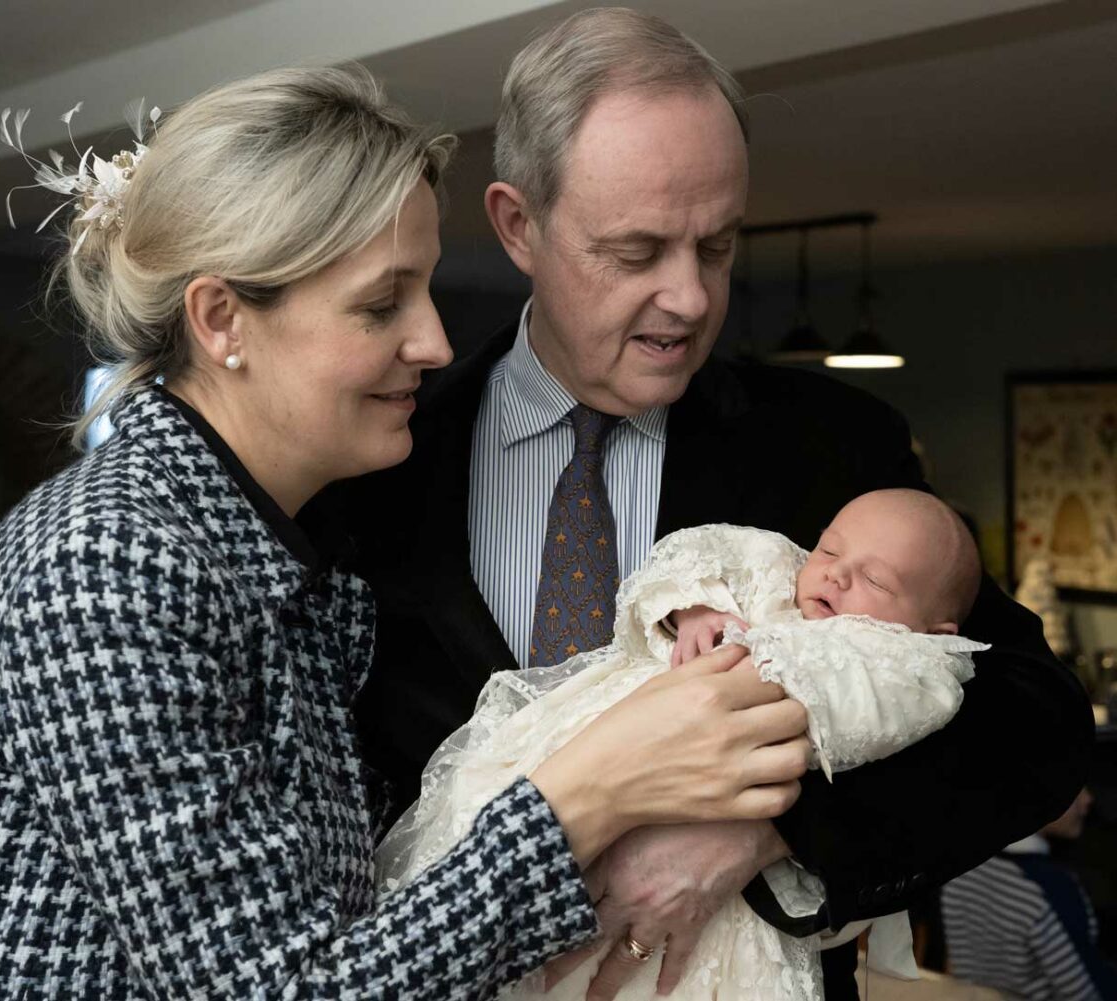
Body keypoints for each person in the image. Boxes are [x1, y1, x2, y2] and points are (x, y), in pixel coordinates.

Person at [0, 66, 816, 999]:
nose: (435, 343)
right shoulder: (106, 570)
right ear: (222, 320)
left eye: (425, 290)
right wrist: (592, 785)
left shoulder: (290, 547)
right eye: (382, 304)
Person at [307, 8, 1094, 999]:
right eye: (637, 252)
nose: (688, 298)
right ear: (518, 225)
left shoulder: (833, 443)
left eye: (716, 247)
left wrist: (768, 829)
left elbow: (1034, 717)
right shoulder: (375, 464)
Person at [377, 488, 989, 999]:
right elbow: (692, 552)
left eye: (875, 579)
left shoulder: (911, 663)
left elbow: (879, 710)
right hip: (567, 762)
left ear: (934, 630)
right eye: (830, 547)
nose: (836, 571)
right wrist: (696, 609)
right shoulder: (778, 568)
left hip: (721, 872)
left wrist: (774, 668)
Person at [942, 789, 1117, 1000]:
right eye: (1075, 787)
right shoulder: (1052, 890)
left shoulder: (961, 867)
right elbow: (1086, 993)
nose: (1088, 799)